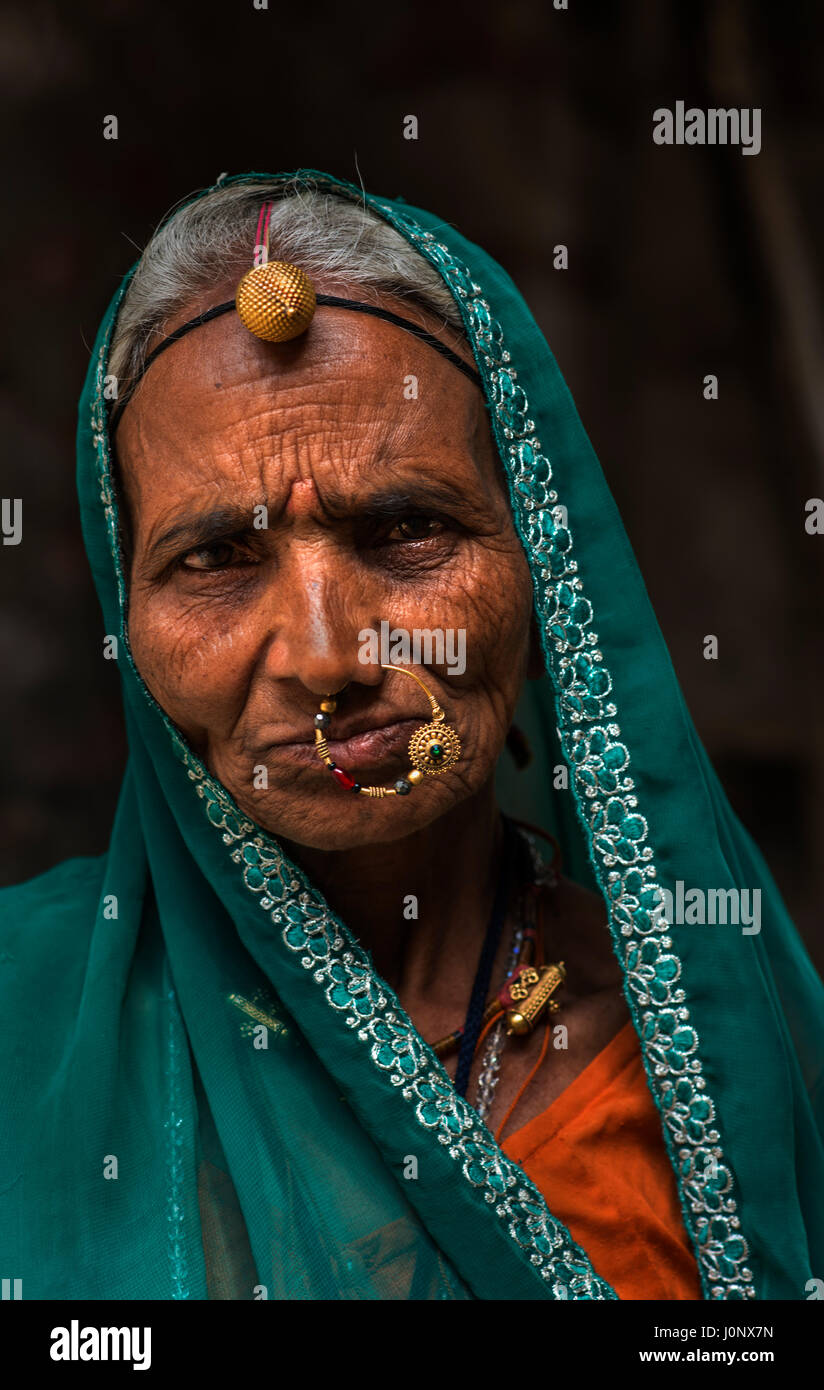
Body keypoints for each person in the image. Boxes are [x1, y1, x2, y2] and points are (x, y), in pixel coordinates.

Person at [1, 171, 821, 1300]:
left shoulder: (709, 1050)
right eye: (215, 559)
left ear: (543, 575)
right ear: (126, 611)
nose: (327, 657)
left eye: (405, 530)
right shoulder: (27, 1026)